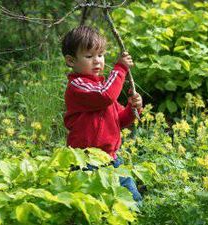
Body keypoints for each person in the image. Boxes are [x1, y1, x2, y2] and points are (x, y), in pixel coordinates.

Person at [61, 25, 143, 201]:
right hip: (87, 160)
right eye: (89, 56)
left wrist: (133, 107)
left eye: (100, 55)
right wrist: (120, 69)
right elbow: (105, 96)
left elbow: (120, 120)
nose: (97, 61)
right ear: (71, 61)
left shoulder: (101, 87)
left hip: (111, 158)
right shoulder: (78, 86)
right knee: (93, 203)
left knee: (133, 199)